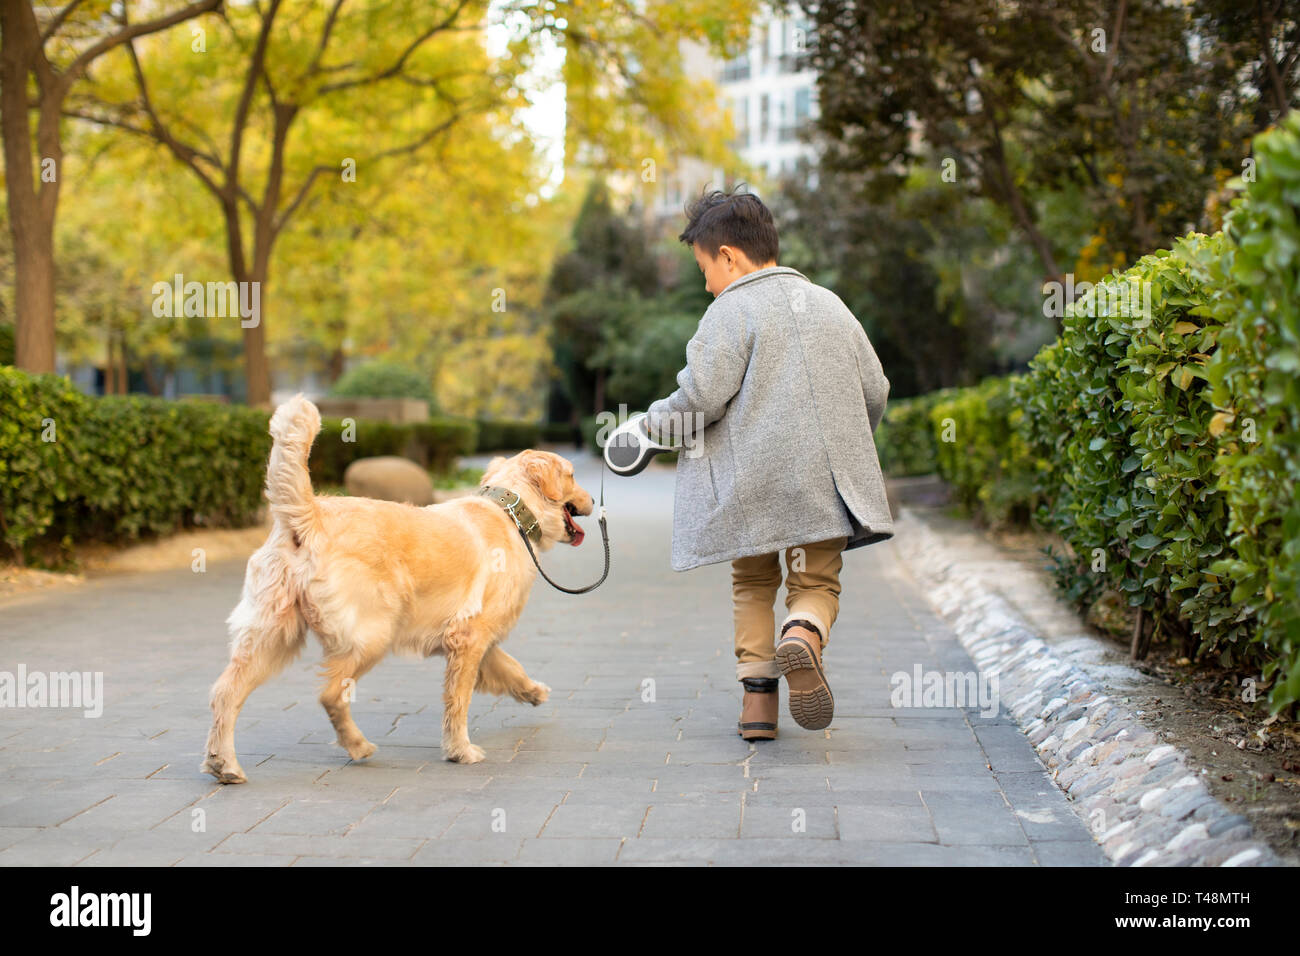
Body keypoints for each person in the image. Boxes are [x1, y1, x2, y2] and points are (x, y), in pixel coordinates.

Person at [645, 186, 893, 740]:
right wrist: (849, 443)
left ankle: (758, 708)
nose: (706, 283)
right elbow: (874, 390)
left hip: (749, 484)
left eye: (704, 268)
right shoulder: (832, 305)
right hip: (822, 483)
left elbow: (701, 398)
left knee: (753, 582)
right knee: (816, 581)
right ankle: (802, 634)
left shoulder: (730, 310)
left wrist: (645, 429)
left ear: (728, 256)